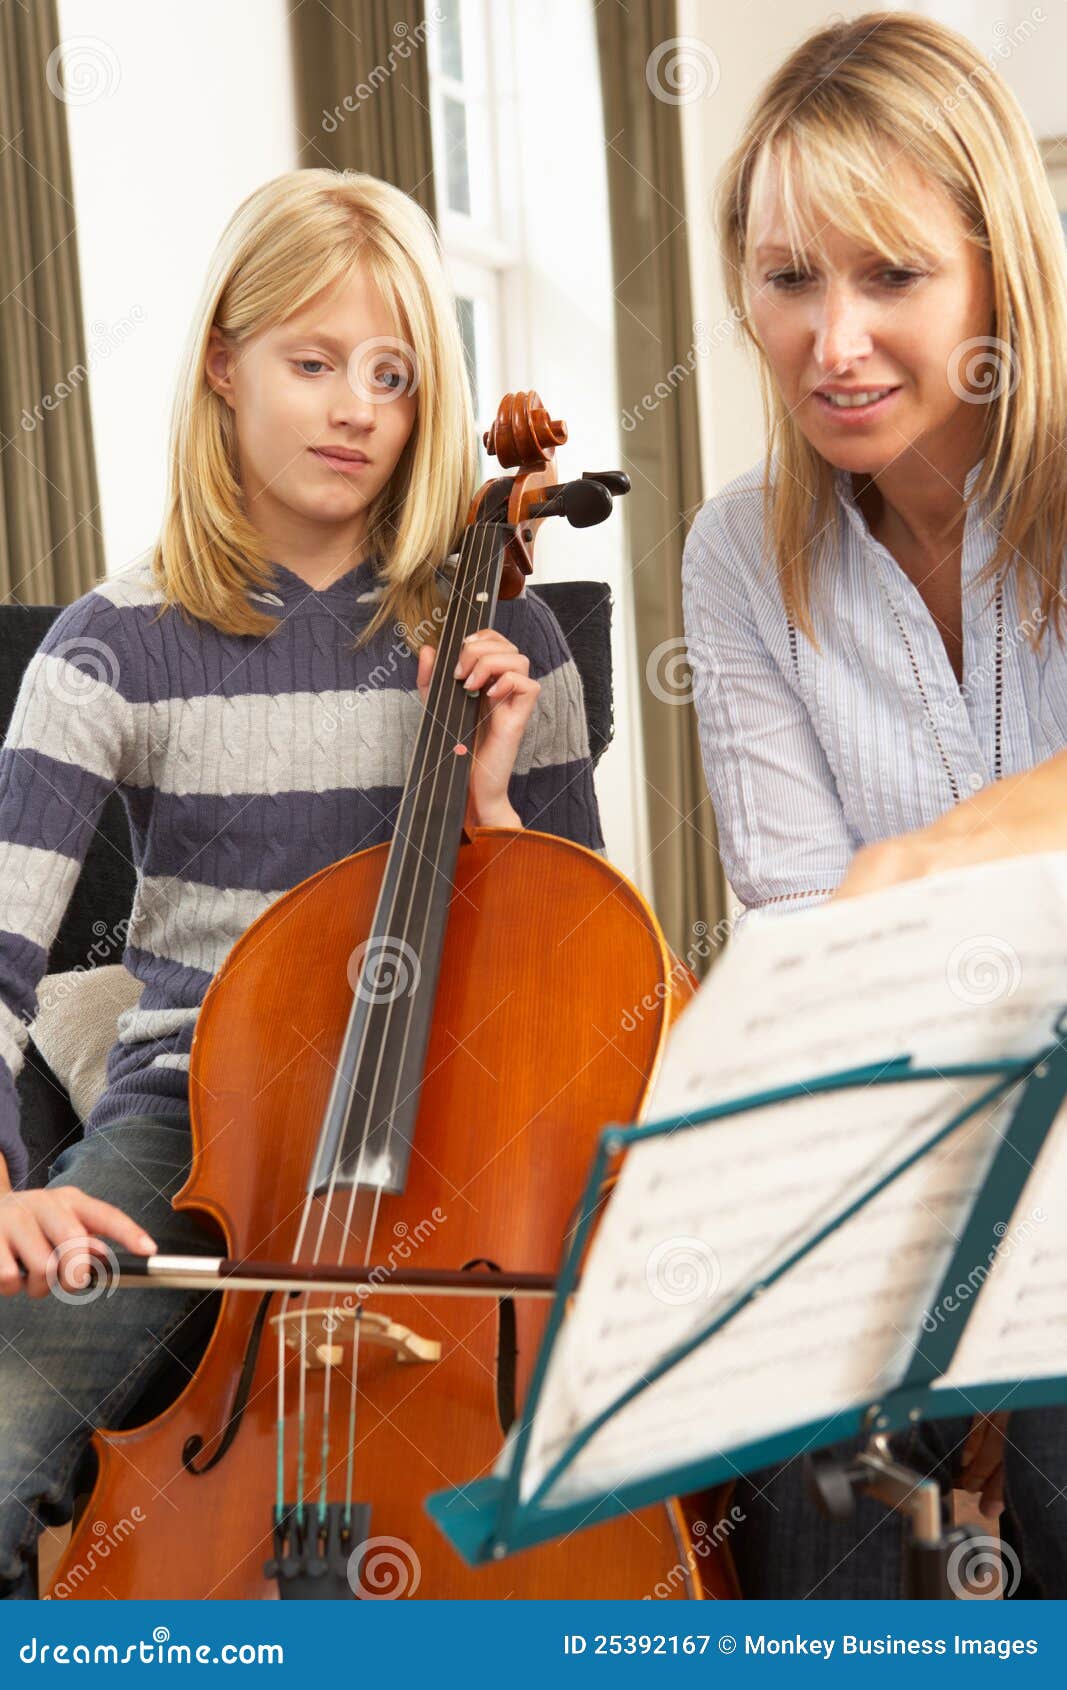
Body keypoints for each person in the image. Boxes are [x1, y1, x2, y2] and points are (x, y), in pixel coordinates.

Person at [0, 168, 604, 1597]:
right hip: (198, 1130)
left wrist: (496, 803)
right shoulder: (110, 648)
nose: (355, 409)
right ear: (223, 363)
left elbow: (591, 975)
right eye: (313, 362)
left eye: (393, 375)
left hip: (466, 1126)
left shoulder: (512, 640)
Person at [681, 12, 1067, 1598]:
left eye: (892, 276)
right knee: (794, 1439)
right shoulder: (733, 556)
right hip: (909, 1128)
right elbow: (805, 929)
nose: (833, 341)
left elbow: (878, 901)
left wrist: (929, 857)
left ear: (994, 273)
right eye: (789, 279)